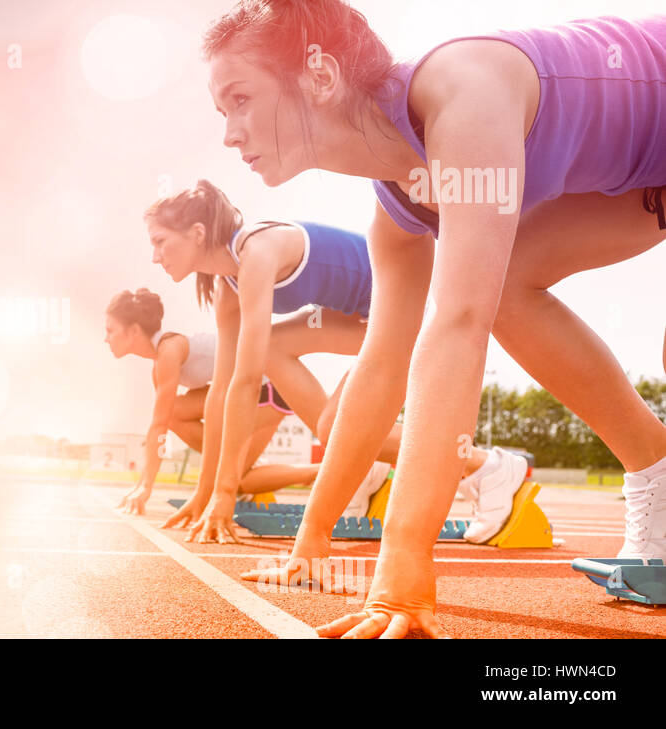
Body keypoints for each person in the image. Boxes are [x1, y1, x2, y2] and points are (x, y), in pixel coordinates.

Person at [201, 0, 666, 638]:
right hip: (643, 171)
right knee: (505, 286)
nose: (229, 133)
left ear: (320, 75)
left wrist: (403, 570)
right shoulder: (398, 208)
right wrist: (311, 543)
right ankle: (657, 471)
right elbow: (381, 368)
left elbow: (456, 327)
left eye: (241, 98)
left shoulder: (463, 93)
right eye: (221, 112)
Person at [143, 181, 523, 542]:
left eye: (160, 242)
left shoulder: (256, 253)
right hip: (361, 316)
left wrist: (226, 494)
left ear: (196, 233)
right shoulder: (228, 286)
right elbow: (221, 391)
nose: (155, 256)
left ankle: (486, 466)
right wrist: (205, 491)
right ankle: (367, 468)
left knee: (334, 429)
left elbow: (246, 382)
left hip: (402, 305)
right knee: (285, 363)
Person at [103, 288, 321, 516]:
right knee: (175, 414)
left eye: (110, 330)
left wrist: (146, 488)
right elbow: (159, 427)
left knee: (236, 480)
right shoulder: (159, 364)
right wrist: (140, 485)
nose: (106, 338)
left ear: (134, 331)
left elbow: (159, 425)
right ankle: (232, 469)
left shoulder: (169, 350)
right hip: (243, 390)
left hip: (270, 389)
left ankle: (321, 471)